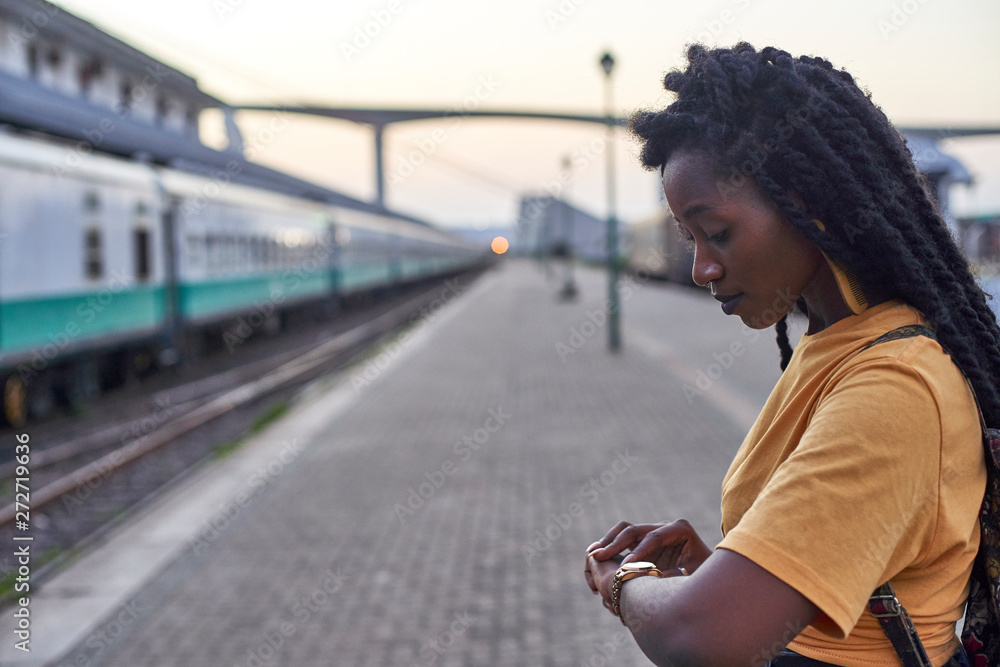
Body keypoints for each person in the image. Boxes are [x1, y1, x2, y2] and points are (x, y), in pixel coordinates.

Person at [583, 43, 999, 667]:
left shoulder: (898, 386)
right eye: (688, 238)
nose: (701, 268)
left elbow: (702, 640)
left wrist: (624, 583)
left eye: (717, 232)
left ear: (808, 205)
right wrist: (727, 569)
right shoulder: (834, 344)